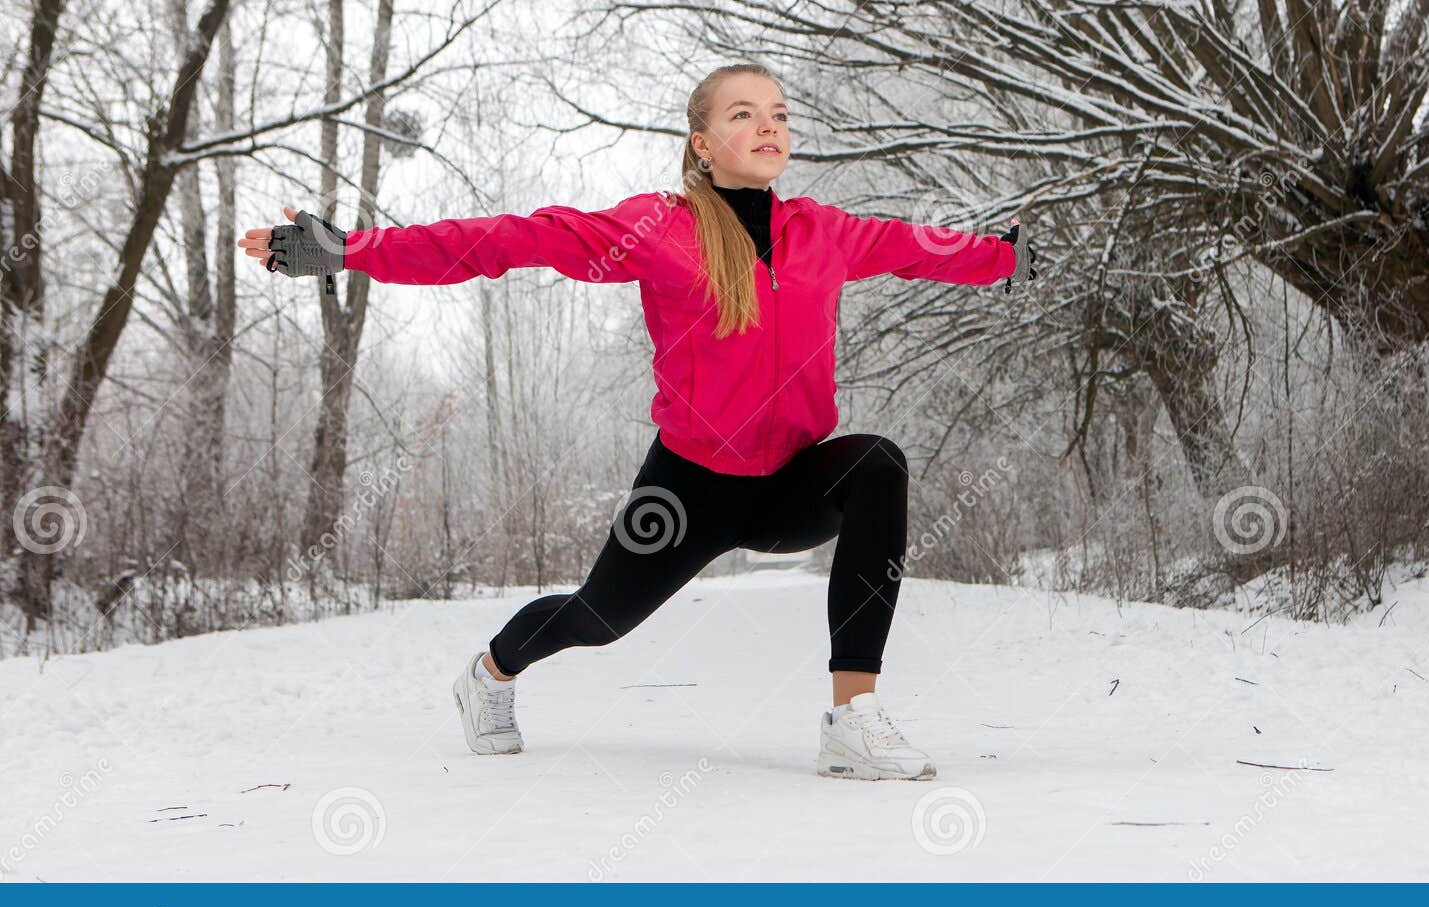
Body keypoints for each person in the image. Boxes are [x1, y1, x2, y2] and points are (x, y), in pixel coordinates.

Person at [239, 62, 1038, 780]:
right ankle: (490, 672)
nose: (769, 126)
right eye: (744, 114)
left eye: (780, 114)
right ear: (701, 143)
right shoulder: (659, 230)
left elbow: (922, 247)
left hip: (791, 480)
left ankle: (852, 717)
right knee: (597, 617)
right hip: (689, 488)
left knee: (877, 464)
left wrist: (1008, 257)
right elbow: (511, 240)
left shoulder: (823, 233)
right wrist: (353, 251)